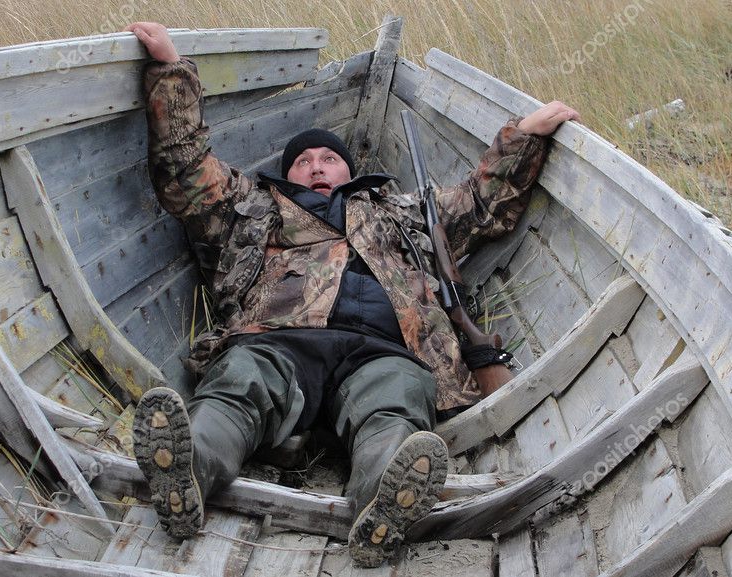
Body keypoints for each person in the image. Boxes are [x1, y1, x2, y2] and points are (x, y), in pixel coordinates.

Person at [125, 22, 579, 567]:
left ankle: (383, 498)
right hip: (279, 339)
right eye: (303, 161)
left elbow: (482, 204)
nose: (317, 166)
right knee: (239, 383)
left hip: (385, 350)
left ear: (350, 170)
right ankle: (189, 469)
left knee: (395, 401)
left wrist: (526, 133)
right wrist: (171, 71)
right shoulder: (253, 206)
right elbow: (186, 172)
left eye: (329, 158)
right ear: (287, 175)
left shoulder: (404, 213)